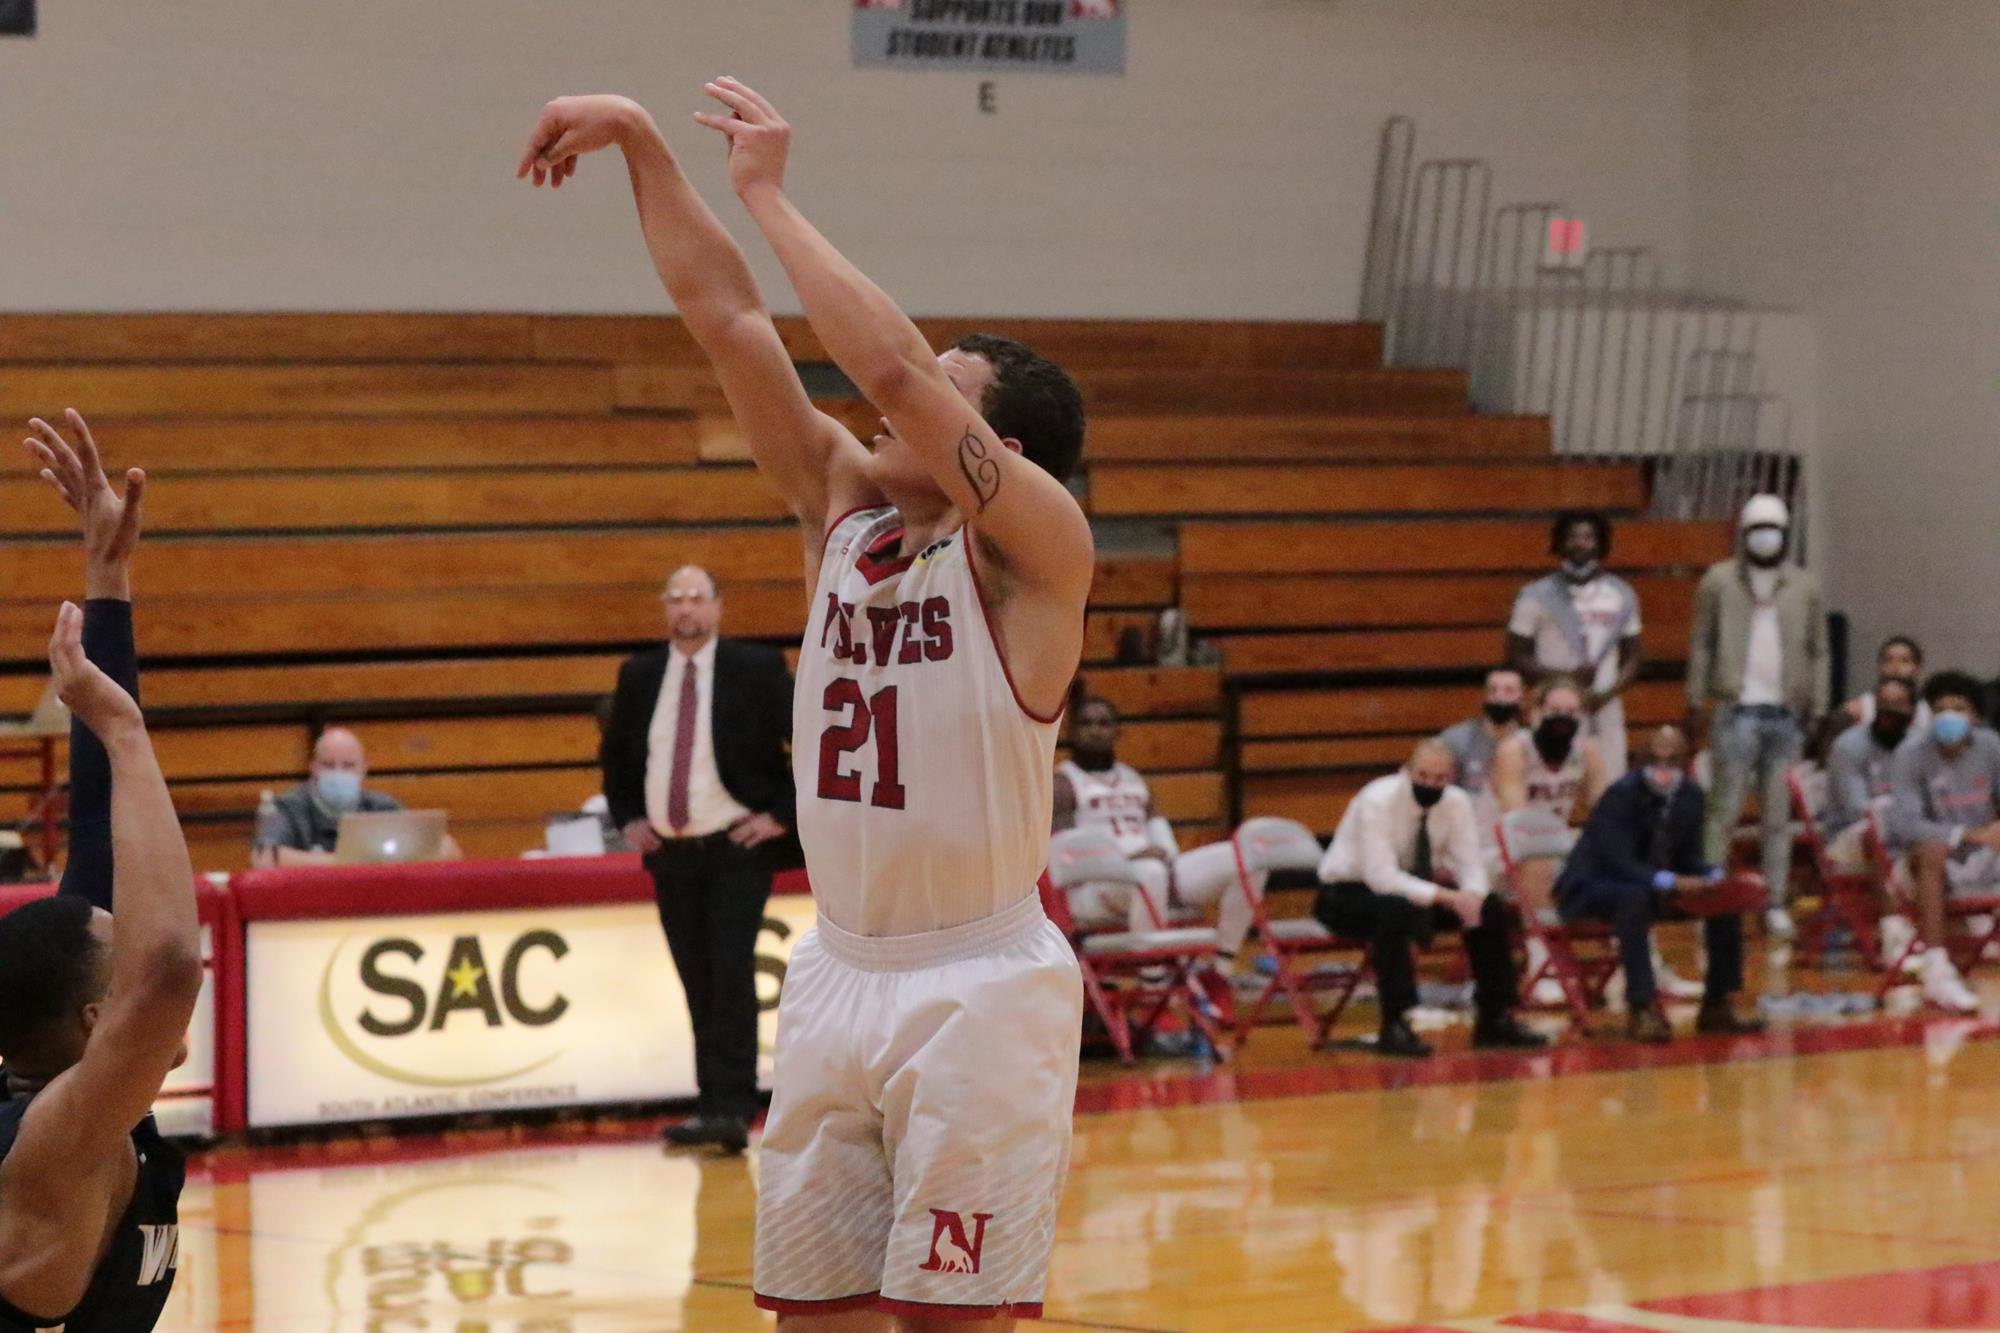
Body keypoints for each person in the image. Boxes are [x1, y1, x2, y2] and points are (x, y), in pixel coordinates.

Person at [521, 82, 1089, 1326]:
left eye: (941, 393)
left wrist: (769, 191)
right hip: (836, 968)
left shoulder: (1036, 551)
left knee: (951, 1315)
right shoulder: (838, 502)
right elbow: (723, 315)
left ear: (994, 450)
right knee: (808, 1312)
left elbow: (880, 358)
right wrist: (641, 140)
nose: (893, 402)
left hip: (978, 984)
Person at [0, 412, 198, 1332]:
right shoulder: (53, 1151)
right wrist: (126, 734)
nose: (134, 919)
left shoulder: (77, 1106)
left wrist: (106, 585)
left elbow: (94, 827)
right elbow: (166, 970)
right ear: (97, 1018)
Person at [600, 563, 796, 1153]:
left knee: (729, 972)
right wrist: (629, 815)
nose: (686, 609)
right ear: (665, 608)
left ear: (717, 607)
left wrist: (780, 815)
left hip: (733, 848)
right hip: (672, 854)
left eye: (697, 598)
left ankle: (732, 1108)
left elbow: (810, 739)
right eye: (676, 599)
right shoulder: (639, 675)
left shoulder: (755, 669)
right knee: (696, 979)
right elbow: (618, 755)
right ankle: (709, 1102)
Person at [1313, 740, 1548, 1058]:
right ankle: (1397, 1022)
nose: (1430, 785)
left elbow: (1470, 863)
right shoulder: (1376, 800)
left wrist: (1472, 898)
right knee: (1392, 910)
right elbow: (1381, 878)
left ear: (1450, 778)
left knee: (1489, 909)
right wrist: (1446, 897)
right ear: (1405, 772)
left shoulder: (1456, 803)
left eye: (1440, 779)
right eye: (1423, 776)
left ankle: (1495, 1016)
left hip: (1415, 890)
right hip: (1347, 894)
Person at [1555, 726, 1764, 1043]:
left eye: (1672, 758)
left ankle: (1718, 1003)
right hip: (1593, 885)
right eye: (1656, 757)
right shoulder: (1620, 794)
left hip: (1652, 886)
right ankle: (1641, 1006)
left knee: (1723, 900)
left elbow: (1689, 856)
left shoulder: (1692, 795)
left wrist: (1712, 876)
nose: (1664, 766)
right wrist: (1669, 881)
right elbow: (1615, 862)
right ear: (1642, 760)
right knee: (1633, 898)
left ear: (1685, 761)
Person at [1686, 494, 1826, 940]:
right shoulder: (1718, 580)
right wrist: (1695, 698)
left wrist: (1817, 707)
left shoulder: (1804, 585)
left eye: (1775, 529)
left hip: (1785, 714)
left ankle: (1776, 901)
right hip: (1734, 710)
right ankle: (1709, 893)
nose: (1766, 537)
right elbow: (1702, 641)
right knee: (1722, 810)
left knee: (1777, 815)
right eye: (1758, 529)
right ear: (1744, 534)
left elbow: (1818, 650)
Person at [1053, 696, 1264, 968]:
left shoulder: (1134, 779)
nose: (1095, 730)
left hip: (1152, 875)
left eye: (1104, 723)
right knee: (1149, 871)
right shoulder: (1062, 783)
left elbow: (1165, 843)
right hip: (1097, 885)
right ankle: (1154, 980)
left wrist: (1163, 856)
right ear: (1072, 732)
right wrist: (1130, 861)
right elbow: (1066, 858)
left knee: (1250, 860)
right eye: (1086, 723)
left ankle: (1221, 967)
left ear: (1118, 732)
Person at [1886, 670, 2000, 1013]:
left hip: (1983, 855)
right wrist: (1965, 834)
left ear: (1975, 717)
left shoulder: (1992, 746)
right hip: (1923, 865)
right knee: (1931, 851)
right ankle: (1936, 969)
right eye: (1940, 708)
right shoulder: (1910, 754)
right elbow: (1905, 824)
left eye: (1958, 707)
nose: (1948, 715)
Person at [1507, 511, 1643, 780]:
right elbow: (1516, 655)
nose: (1580, 543)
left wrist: (1604, 695)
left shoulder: (1622, 595)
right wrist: (1563, 682)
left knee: (1609, 782)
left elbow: (1633, 657)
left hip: (1604, 705)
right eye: (1572, 538)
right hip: (1552, 706)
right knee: (1548, 780)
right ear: (1559, 543)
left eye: (1588, 537)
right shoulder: (1535, 595)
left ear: (1601, 543)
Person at [249, 728, 463, 867]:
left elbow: (449, 851)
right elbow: (264, 859)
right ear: (313, 769)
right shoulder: (286, 807)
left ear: (363, 769)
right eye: (328, 765)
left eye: (348, 766)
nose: (338, 772)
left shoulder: (382, 807)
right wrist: (348, 865)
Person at [1823, 676, 1918, 966]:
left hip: (1905, 836)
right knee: (1872, 832)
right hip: (1846, 838)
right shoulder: (1848, 747)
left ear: (1912, 712)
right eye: (1883, 707)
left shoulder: (1919, 747)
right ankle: (1893, 935)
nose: (1889, 715)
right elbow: (1858, 810)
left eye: (1897, 708)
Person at [1434, 668, 1524, 833]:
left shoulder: (1529, 744)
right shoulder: (1454, 740)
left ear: (1521, 697)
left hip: (1514, 829)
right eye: (1493, 690)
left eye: (1508, 690)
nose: (1500, 697)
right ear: (1483, 696)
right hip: (1465, 828)